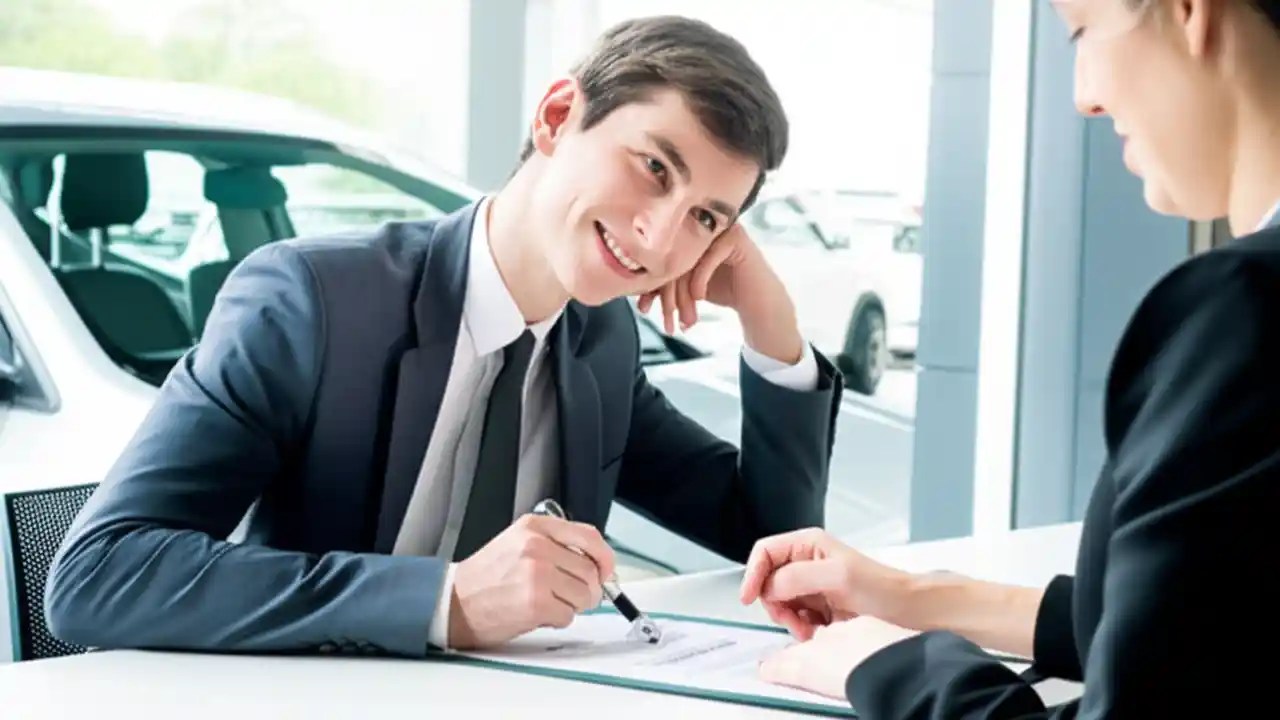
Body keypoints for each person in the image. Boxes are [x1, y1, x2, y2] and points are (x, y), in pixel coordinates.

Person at [44, 15, 844, 656]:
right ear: (559, 116)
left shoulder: (598, 341)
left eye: (706, 217)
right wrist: (445, 600)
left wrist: (773, 329)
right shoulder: (313, 301)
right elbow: (98, 577)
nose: (663, 237)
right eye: (655, 168)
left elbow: (767, 537)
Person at [737, 0, 1280, 716]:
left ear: (1189, 12)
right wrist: (912, 598)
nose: (1084, 95)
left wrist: (899, 670)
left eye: (1083, 33)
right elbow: (1202, 636)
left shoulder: (1245, 310)